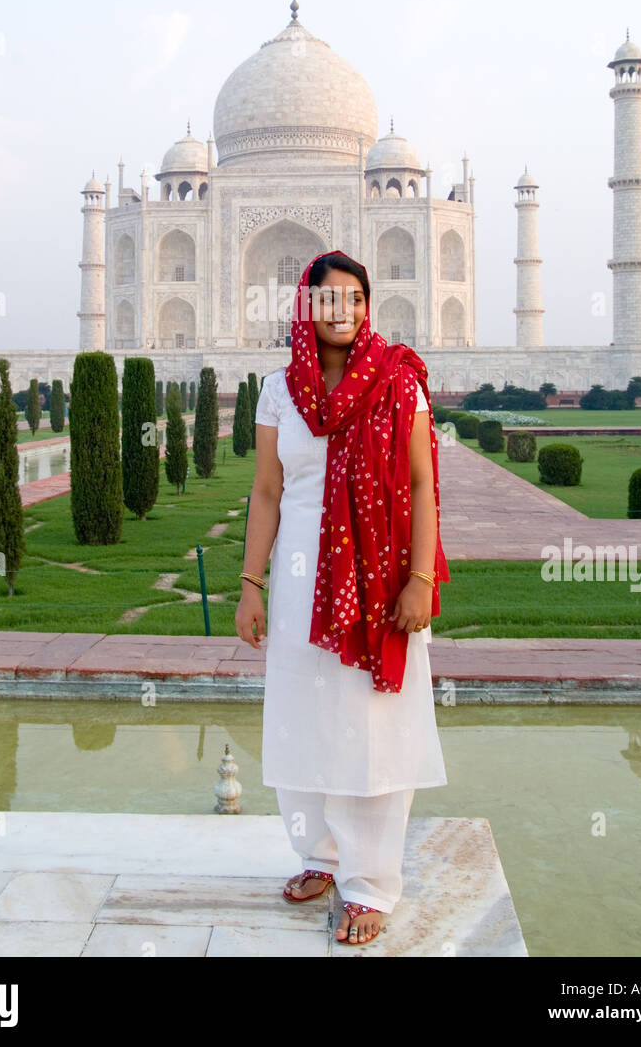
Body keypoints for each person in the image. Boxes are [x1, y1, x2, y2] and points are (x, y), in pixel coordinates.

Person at [236, 249, 450, 948]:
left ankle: (369, 885)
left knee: (371, 729)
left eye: (355, 298)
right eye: (330, 299)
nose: (344, 311)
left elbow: (420, 486)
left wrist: (420, 579)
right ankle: (319, 857)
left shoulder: (398, 382)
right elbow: (267, 493)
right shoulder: (278, 391)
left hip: (379, 583)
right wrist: (250, 585)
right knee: (303, 719)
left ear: (367, 305)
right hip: (302, 585)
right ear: (305, 306)